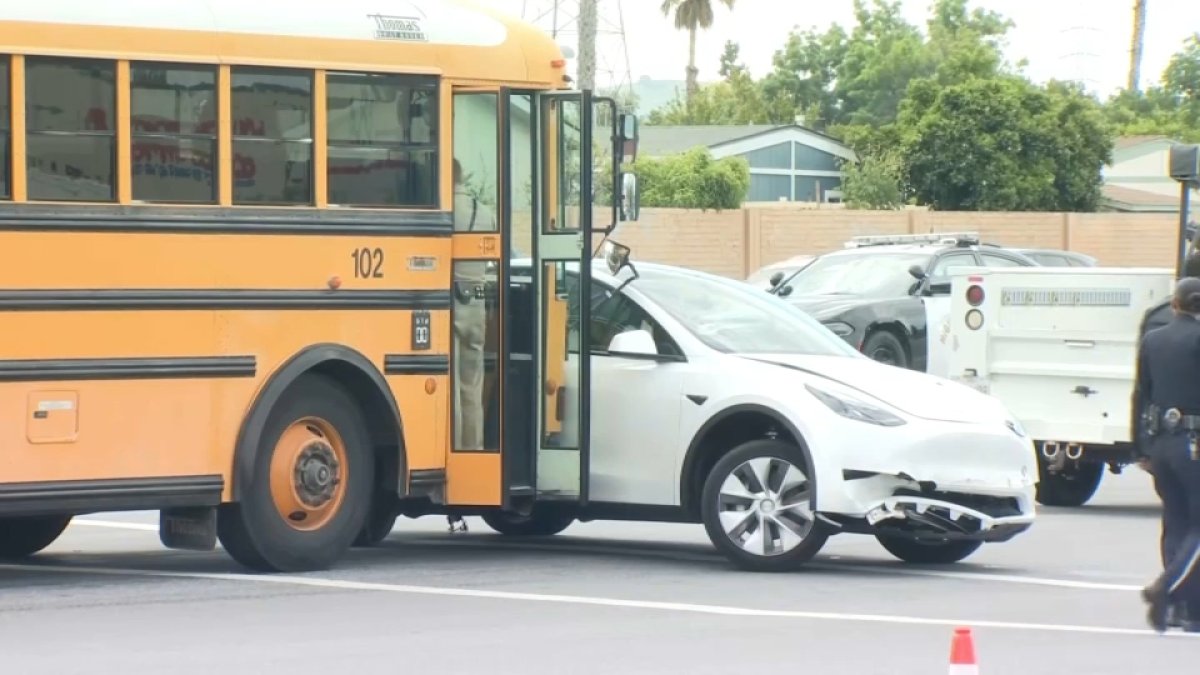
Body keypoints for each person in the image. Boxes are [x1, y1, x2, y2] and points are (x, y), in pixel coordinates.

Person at [1131, 249, 1200, 628]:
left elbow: (1140, 394)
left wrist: (1139, 447)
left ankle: (1172, 606)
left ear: (1175, 303)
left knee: (1174, 522)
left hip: (1160, 443)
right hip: (1194, 443)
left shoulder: (1153, 338)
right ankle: (1173, 594)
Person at [452, 158, 496, 451]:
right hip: (477, 303)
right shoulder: (486, 213)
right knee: (472, 385)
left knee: (451, 386)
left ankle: (452, 450)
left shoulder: (444, 211)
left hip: (449, 301)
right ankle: (473, 449)